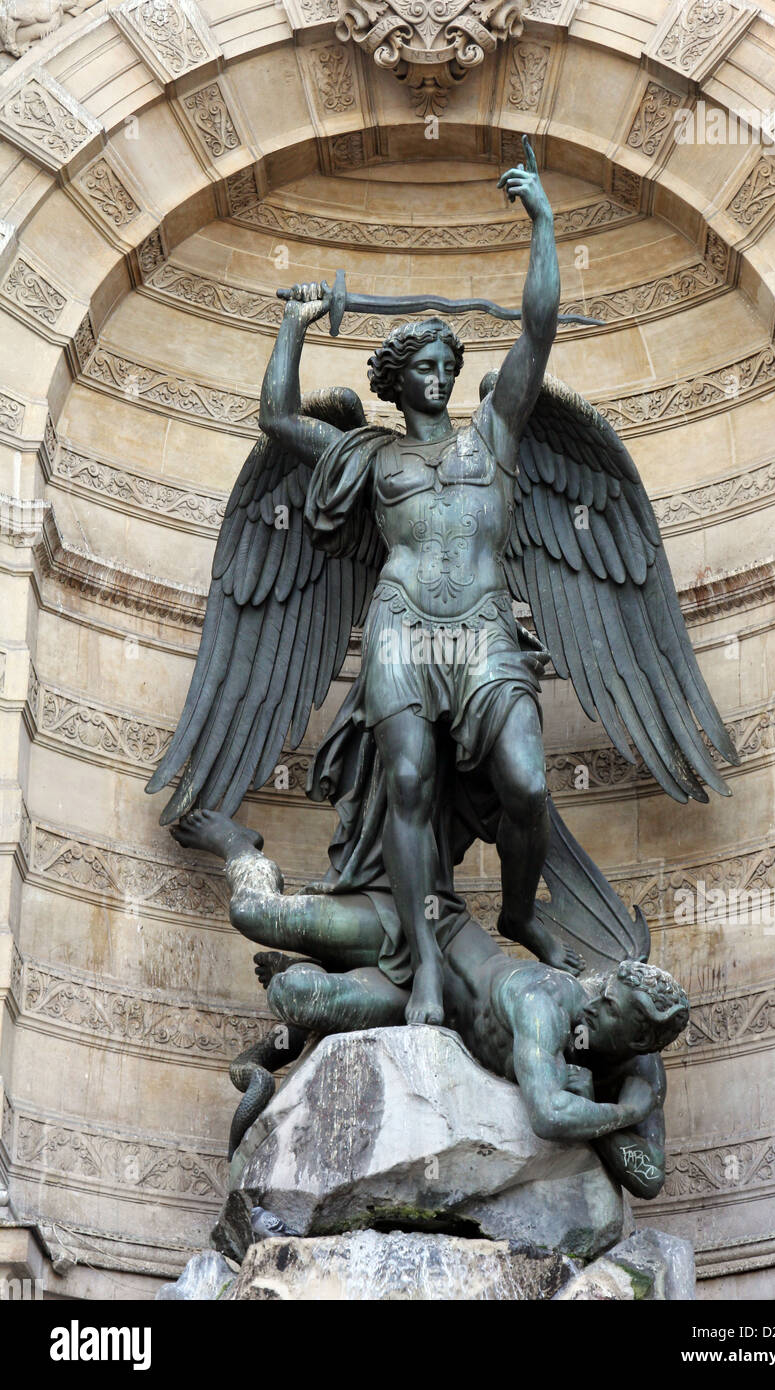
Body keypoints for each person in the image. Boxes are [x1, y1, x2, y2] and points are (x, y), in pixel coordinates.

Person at [256, 137, 561, 1027]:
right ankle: (425, 966)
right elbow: (276, 418)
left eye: (446, 364)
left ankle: (513, 909)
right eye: (422, 366)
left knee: (529, 784)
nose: (437, 375)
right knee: (411, 783)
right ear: (396, 382)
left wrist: (542, 221)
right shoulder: (368, 453)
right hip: (398, 621)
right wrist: (295, 324)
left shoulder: (492, 434)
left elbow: (537, 325)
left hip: (480, 623)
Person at [172, 808, 689, 1196]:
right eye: (606, 990)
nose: (594, 1000)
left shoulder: (641, 1067)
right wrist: (617, 1110)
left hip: (422, 1009)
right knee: (256, 915)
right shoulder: (546, 1000)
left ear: (640, 1036)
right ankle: (241, 847)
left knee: (293, 997)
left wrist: (601, 1110)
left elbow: (649, 1179)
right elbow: (550, 1114)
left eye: (610, 1006)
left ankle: (313, 973)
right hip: (425, 933)